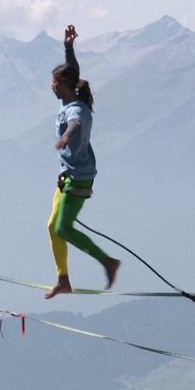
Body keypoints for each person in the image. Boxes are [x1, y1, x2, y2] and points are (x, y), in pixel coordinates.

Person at [44, 24, 120, 299]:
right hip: (67, 176)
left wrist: (65, 138)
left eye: (54, 83)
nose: (51, 87)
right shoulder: (71, 98)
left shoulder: (75, 109)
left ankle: (108, 262)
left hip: (79, 178)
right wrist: (68, 47)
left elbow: (75, 124)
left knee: (63, 228)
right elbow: (73, 69)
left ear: (62, 86)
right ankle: (63, 279)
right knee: (53, 228)